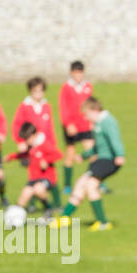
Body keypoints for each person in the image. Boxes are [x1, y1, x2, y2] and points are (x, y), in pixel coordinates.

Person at [54, 97, 124, 231]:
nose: (85, 118)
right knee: (82, 185)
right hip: (101, 160)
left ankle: (101, 223)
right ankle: (65, 218)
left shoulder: (108, 121)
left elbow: (115, 139)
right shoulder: (99, 123)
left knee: (89, 185)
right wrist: (83, 155)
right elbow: (98, 146)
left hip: (108, 160)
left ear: (95, 110)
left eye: (86, 114)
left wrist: (120, 155)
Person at [5, 122, 63, 218]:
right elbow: (23, 155)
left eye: (27, 139)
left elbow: (58, 154)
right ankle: (14, 218)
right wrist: (10, 157)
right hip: (33, 178)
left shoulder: (44, 144)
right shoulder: (30, 147)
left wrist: (46, 160)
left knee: (38, 189)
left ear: (34, 135)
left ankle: (48, 210)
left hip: (46, 178)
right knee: (24, 196)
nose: (26, 141)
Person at [59, 61, 94, 193]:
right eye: (76, 73)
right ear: (71, 73)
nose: (78, 75)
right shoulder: (66, 88)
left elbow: (91, 104)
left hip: (85, 125)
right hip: (72, 126)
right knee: (70, 155)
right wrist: (68, 124)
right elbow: (63, 107)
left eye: (81, 73)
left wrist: (92, 121)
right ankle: (67, 185)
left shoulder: (88, 86)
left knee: (92, 153)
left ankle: (96, 180)